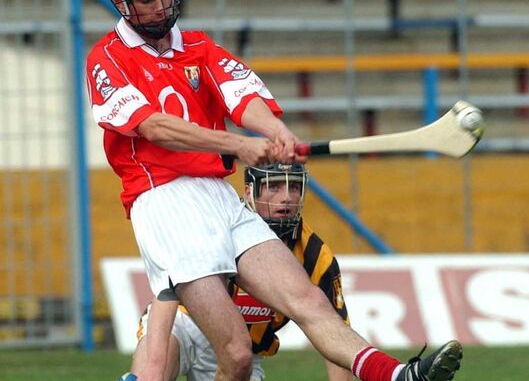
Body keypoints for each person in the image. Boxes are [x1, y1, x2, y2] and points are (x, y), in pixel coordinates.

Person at [87, 0, 462, 381]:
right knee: (238, 353)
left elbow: (241, 95)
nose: (160, 6)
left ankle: (400, 376)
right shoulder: (107, 59)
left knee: (309, 302)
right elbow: (153, 127)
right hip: (164, 203)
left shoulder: (199, 47)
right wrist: (237, 144)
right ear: (121, 2)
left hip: (219, 196)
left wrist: (275, 132)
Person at [121, 163, 354, 381]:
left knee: (239, 357)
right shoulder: (216, 222)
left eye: (294, 186)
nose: (286, 198)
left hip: (244, 352)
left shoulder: (315, 254)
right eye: (273, 186)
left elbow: (335, 336)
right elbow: (168, 290)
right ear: (249, 191)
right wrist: (155, 362)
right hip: (184, 323)